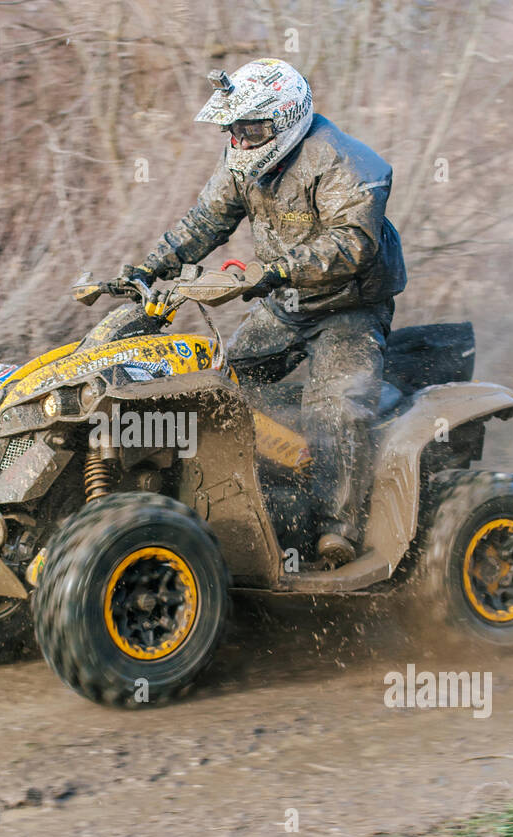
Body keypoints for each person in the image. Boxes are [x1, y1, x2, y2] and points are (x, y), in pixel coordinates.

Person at [122, 58, 407, 565]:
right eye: (235, 128)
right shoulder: (242, 159)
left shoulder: (347, 163)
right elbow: (207, 219)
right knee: (222, 385)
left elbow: (352, 247)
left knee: (337, 407)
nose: (242, 138)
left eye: (251, 128)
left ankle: (335, 528)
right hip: (287, 303)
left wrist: (272, 271)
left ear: (286, 117)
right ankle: (251, 494)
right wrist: (150, 266)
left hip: (351, 309)